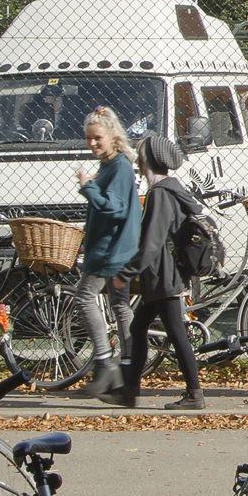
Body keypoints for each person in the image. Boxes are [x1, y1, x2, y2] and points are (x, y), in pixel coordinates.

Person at [106, 133, 205, 410]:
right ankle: (130, 391)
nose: (137, 159)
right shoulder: (165, 190)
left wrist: (125, 272)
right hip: (160, 275)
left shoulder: (160, 194)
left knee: (175, 333)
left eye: (140, 154)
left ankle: (195, 394)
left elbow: (151, 242)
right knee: (138, 328)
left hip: (163, 276)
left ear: (148, 159)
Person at [75, 108, 142, 393]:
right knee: (120, 305)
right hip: (117, 249)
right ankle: (128, 365)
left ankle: (104, 361)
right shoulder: (112, 164)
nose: (92, 143)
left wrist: (88, 187)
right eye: (88, 138)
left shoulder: (117, 166)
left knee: (84, 297)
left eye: (97, 138)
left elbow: (115, 208)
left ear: (112, 136)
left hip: (110, 251)